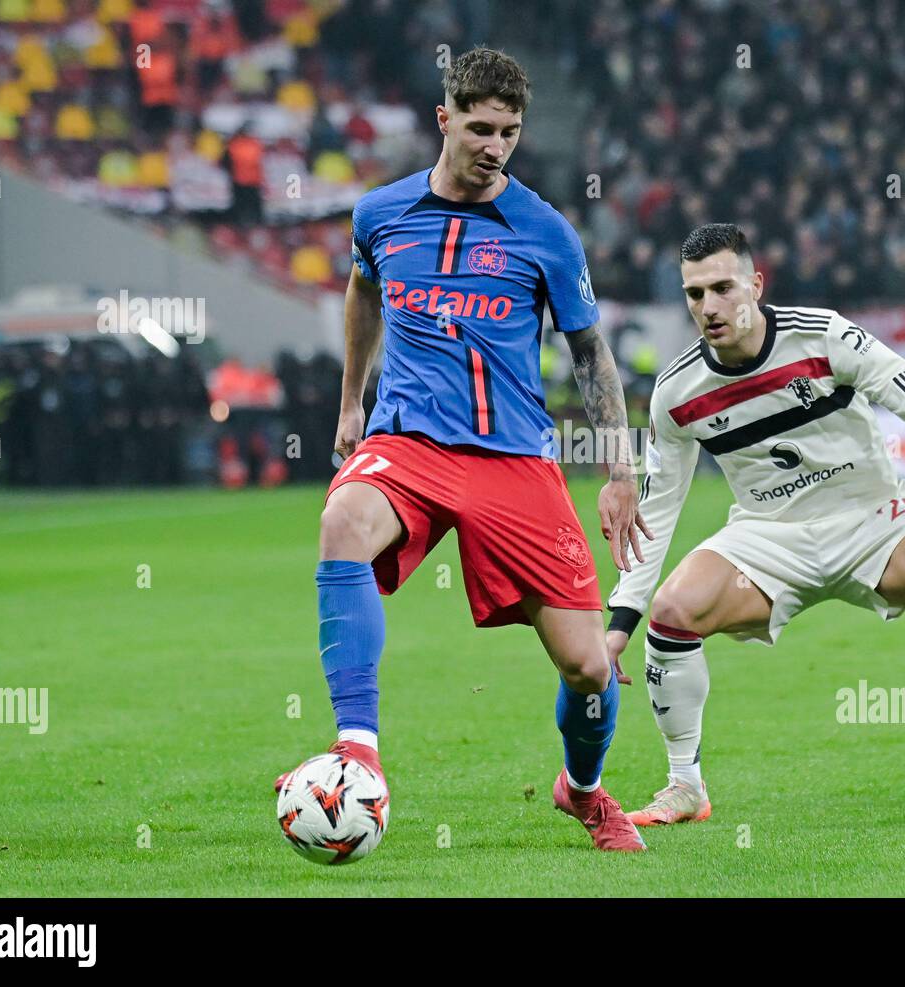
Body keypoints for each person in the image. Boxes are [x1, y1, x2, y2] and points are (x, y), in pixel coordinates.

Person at [276, 48, 649, 852]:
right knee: (342, 521)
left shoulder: (547, 232)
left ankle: (581, 790)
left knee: (588, 666)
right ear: (445, 119)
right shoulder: (379, 213)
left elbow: (591, 355)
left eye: (509, 132)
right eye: (480, 128)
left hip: (514, 457)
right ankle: (358, 753)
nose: (495, 146)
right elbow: (363, 287)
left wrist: (620, 468)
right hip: (408, 442)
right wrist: (352, 401)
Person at [605, 224, 905, 825]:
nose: (709, 307)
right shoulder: (678, 391)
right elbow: (657, 510)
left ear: (755, 284)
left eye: (722, 288)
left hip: (871, 521)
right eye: (695, 295)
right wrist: (621, 618)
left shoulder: (822, 335)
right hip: (767, 540)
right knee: (673, 613)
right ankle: (685, 785)